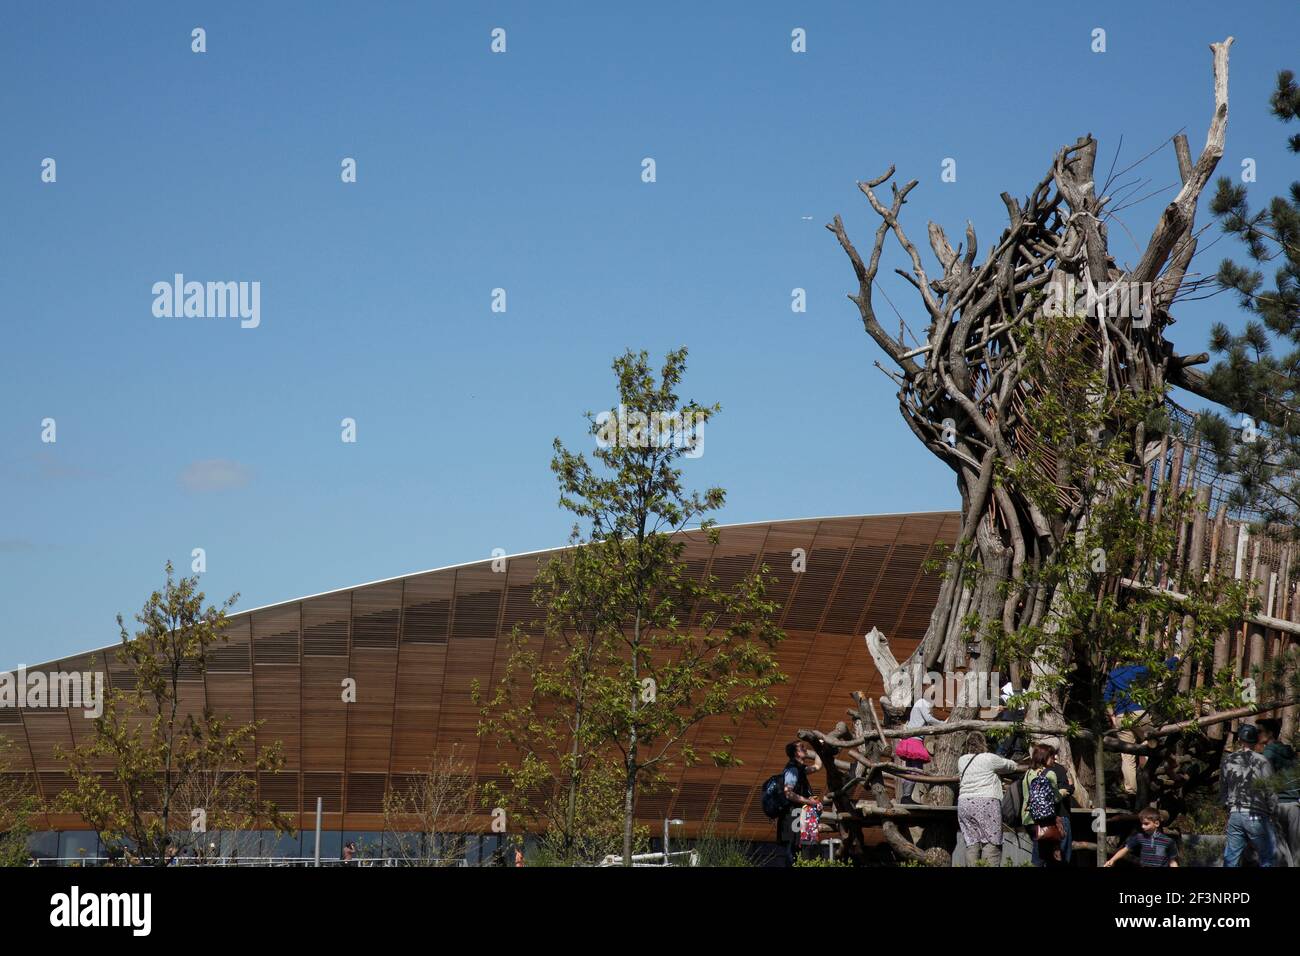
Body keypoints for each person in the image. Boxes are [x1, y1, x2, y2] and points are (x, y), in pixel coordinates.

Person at [1104, 657, 1179, 795]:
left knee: (1127, 755)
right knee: (1156, 742)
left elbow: (1107, 697)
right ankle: (1169, 765)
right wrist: (1175, 659)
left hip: (1121, 717)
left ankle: (1131, 790)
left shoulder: (1114, 674)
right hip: (1138, 713)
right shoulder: (1138, 670)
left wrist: (1113, 717)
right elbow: (1160, 666)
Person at [956, 731, 1019, 866]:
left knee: (972, 843)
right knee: (991, 843)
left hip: (964, 804)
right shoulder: (989, 758)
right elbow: (1011, 765)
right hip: (986, 803)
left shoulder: (962, 760)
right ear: (983, 743)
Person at [1221, 724, 1277, 867]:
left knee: (1231, 859)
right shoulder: (1262, 761)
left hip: (1235, 813)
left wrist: (1227, 806)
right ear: (1256, 740)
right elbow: (1270, 790)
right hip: (1255, 813)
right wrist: (1272, 810)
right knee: (1268, 856)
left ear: (1239, 739)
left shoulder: (1229, 760)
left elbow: (1223, 787)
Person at [1256, 719, 1298, 865]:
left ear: (1270, 733)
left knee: (1280, 852)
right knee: (1296, 849)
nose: (1257, 734)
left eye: (1259, 731)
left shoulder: (1268, 752)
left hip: (1279, 805)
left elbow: (1263, 779)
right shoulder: (1289, 751)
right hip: (1295, 804)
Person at [1020, 743, 1070, 867]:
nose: (1055, 759)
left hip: (1028, 819)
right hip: (1044, 820)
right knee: (1047, 858)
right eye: (1052, 756)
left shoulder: (1028, 774)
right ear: (1045, 757)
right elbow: (1055, 798)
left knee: (1040, 853)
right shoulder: (1050, 774)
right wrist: (1064, 791)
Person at [777, 740, 824, 866]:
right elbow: (788, 793)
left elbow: (818, 766)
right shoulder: (792, 770)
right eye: (802, 747)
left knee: (801, 850)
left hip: (799, 815)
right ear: (796, 753)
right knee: (793, 852)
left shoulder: (800, 768)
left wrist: (818, 746)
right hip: (792, 816)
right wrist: (810, 801)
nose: (805, 749)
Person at [898, 696, 943, 804]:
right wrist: (943, 723)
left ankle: (906, 797)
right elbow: (928, 719)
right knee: (916, 770)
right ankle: (906, 797)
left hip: (912, 740)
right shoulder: (922, 702)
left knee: (910, 770)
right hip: (914, 741)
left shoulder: (921, 705)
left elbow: (926, 721)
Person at [1104, 807, 1179, 867]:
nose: (1143, 826)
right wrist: (1112, 860)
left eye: (1146, 824)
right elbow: (1125, 849)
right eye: (1142, 824)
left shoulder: (1169, 841)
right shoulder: (1139, 837)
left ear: (1156, 823)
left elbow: (1172, 862)